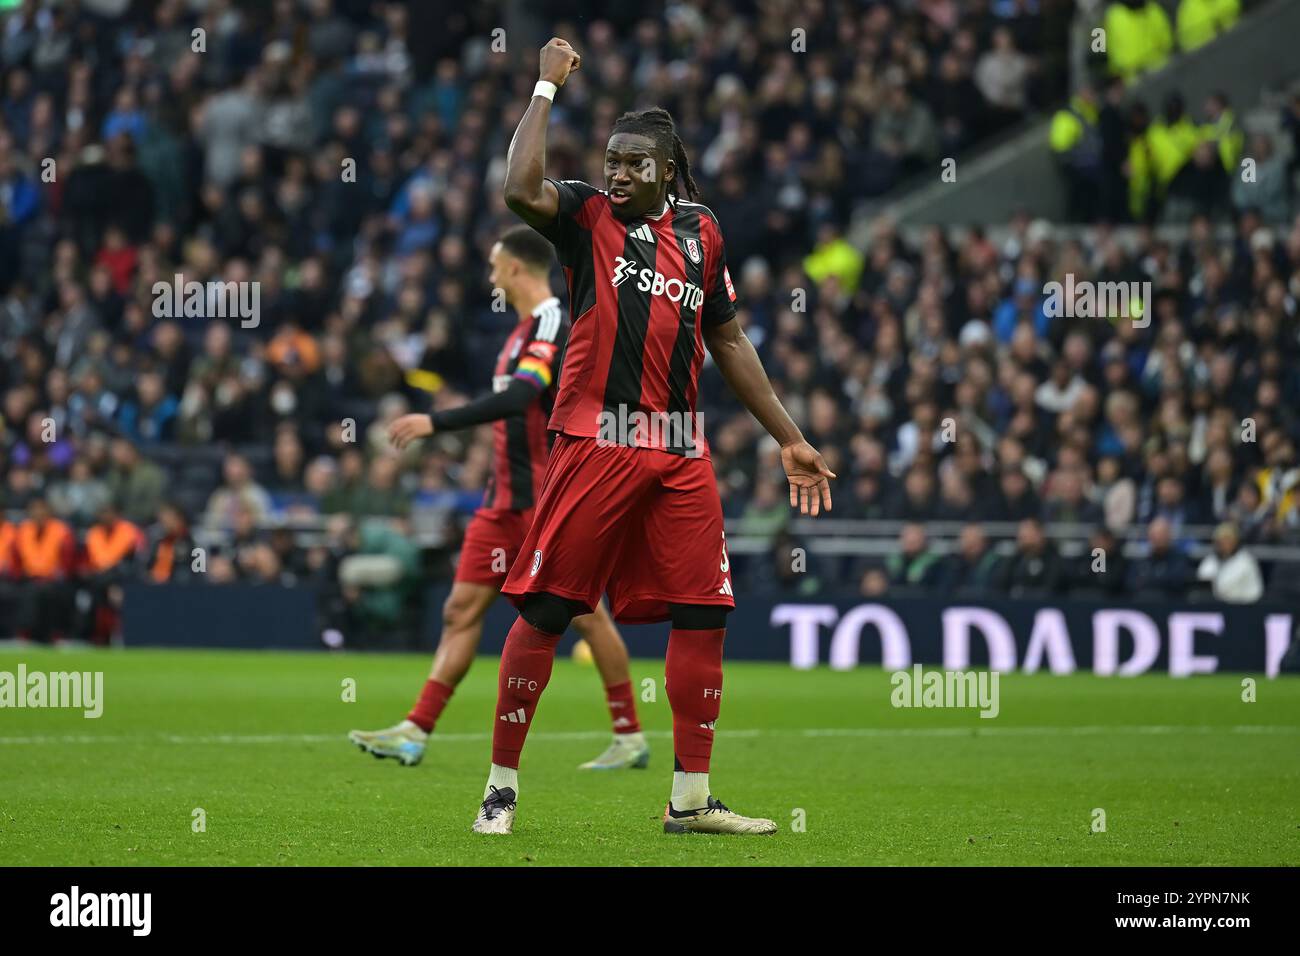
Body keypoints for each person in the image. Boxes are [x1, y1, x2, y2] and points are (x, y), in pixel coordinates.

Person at [473, 37, 834, 836]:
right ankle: (500, 785)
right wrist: (542, 87)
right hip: (596, 442)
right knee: (550, 611)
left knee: (706, 613)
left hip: (680, 452)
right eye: (612, 160)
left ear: (668, 169)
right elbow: (515, 186)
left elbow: (729, 341)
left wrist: (789, 437)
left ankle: (691, 800)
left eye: (635, 163)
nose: (619, 173)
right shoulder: (584, 216)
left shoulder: (703, 233)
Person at [349, 226, 649, 772]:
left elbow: (521, 396)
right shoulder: (516, 334)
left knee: (586, 617)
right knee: (459, 611)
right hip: (501, 502)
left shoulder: (555, 320)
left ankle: (629, 734)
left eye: (494, 264)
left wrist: (435, 422)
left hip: (546, 500)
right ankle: (416, 730)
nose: (489, 275)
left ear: (515, 268)